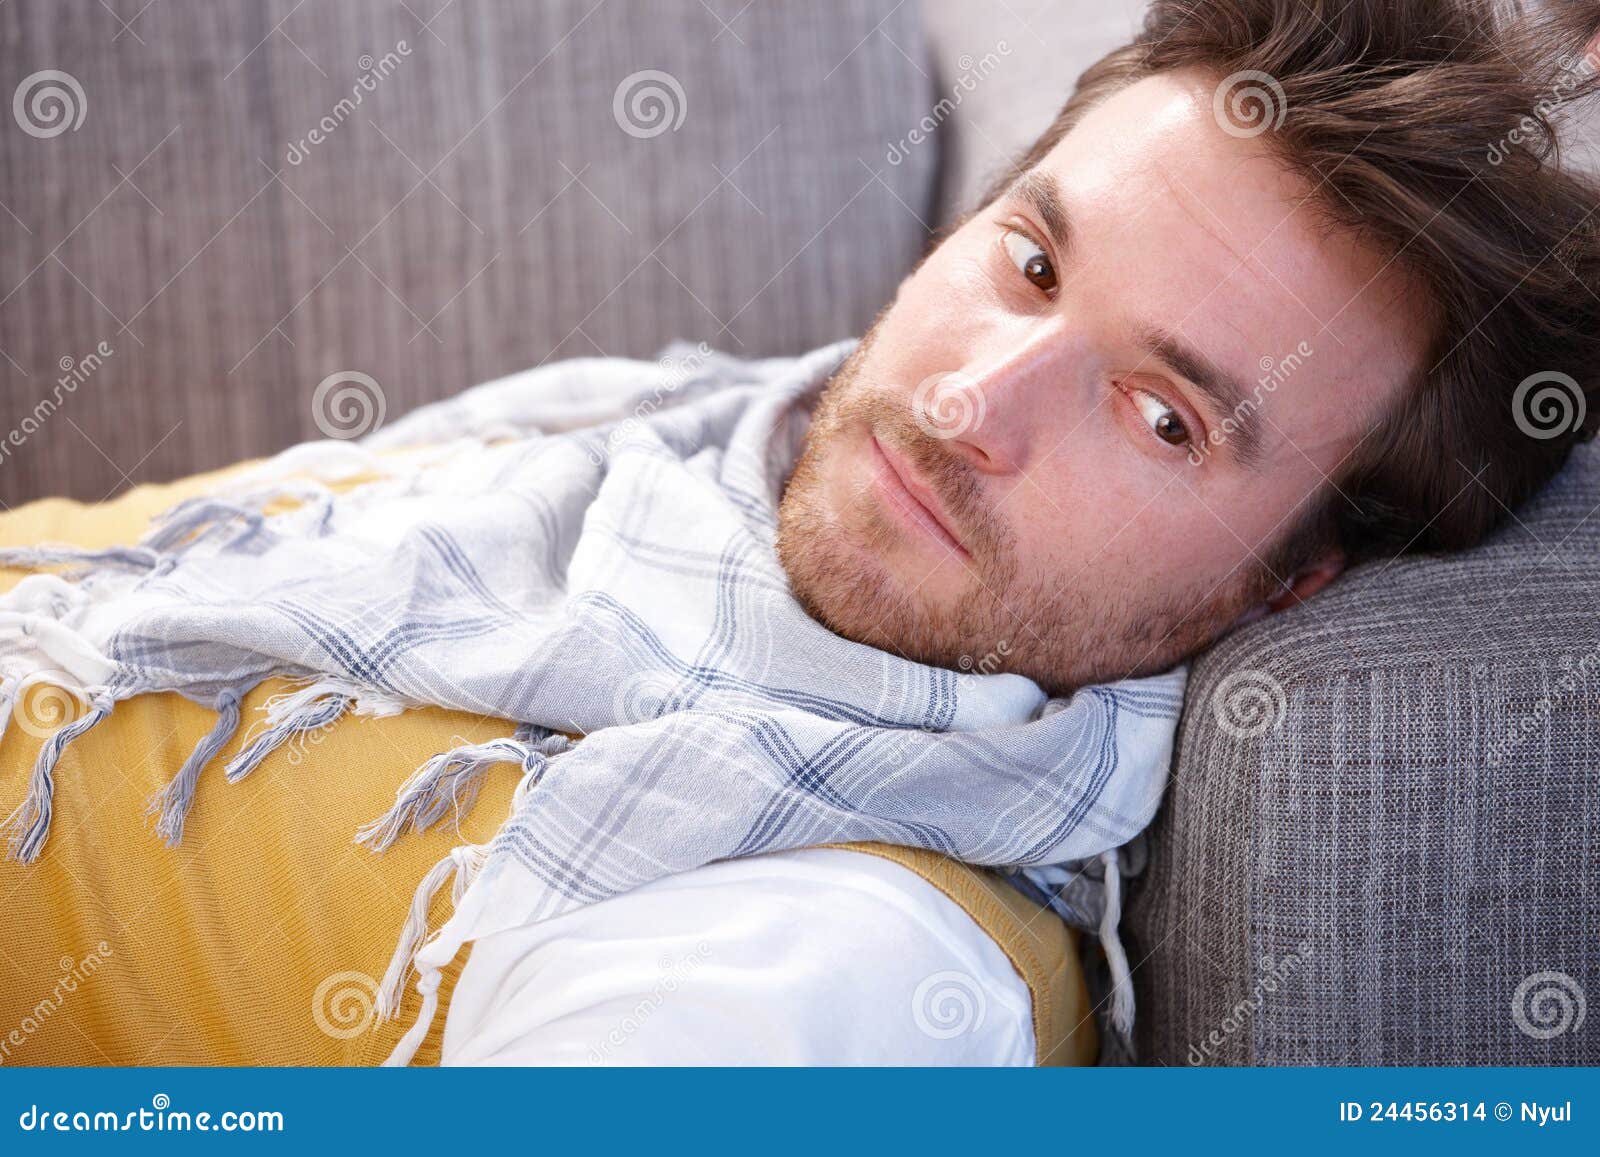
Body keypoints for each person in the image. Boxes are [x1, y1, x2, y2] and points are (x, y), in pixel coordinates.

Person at [2, 0, 1597, 1067]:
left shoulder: (854, 962)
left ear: (1290, 577)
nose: (970, 401)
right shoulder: (669, 434)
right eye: (1034, 265)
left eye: (1162, 415)